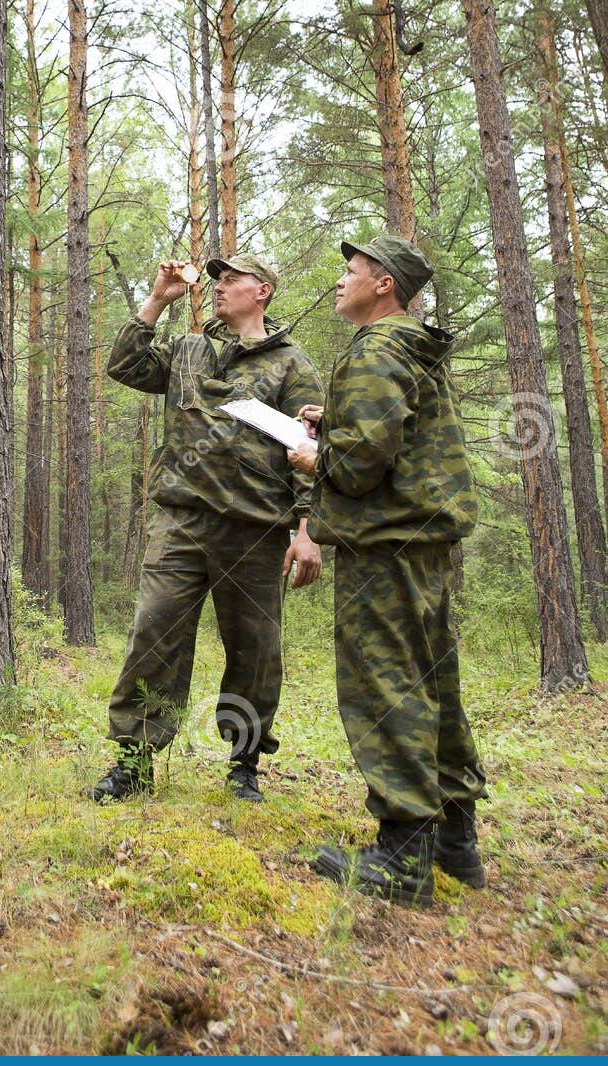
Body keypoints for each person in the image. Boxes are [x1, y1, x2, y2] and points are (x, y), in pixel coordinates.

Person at [287, 234, 486, 906]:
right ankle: (455, 844)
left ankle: (402, 856)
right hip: (421, 543)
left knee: (386, 687)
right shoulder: (406, 348)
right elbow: (390, 433)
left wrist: (314, 457)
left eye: (349, 271)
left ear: (382, 285)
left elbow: (363, 461)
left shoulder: (377, 347)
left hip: (386, 543)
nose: (340, 281)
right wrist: (332, 419)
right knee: (433, 686)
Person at [87, 252, 324, 804]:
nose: (219, 287)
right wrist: (156, 301)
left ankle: (244, 765)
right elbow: (124, 366)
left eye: (232, 279)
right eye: (216, 279)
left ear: (262, 291)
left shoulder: (292, 364)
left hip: (256, 529)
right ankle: (133, 761)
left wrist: (307, 530)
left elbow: (310, 449)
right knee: (154, 635)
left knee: (255, 649)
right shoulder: (189, 348)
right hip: (180, 521)